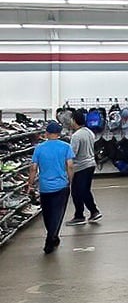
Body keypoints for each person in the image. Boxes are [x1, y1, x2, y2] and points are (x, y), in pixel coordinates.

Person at [27, 120, 75, 254]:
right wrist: (70, 181)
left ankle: (52, 236)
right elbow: (70, 166)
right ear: (59, 134)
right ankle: (51, 238)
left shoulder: (39, 148)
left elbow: (33, 168)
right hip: (61, 186)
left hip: (44, 187)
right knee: (58, 214)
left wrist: (30, 184)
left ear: (46, 133)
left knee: (47, 215)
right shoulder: (66, 147)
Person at [66, 109, 102, 226]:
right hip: (90, 164)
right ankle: (84, 213)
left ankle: (88, 213)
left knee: (78, 191)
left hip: (81, 166)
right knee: (82, 190)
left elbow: (73, 154)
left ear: (74, 120)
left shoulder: (76, 136)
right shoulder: (89, 132)